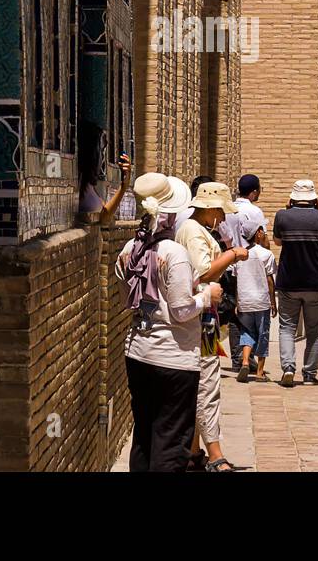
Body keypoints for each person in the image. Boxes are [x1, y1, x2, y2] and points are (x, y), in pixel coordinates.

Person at [116, 172, 212, 471]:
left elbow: (126, 300)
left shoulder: (129, 251)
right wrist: (208, 296)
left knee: (144, 435)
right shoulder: (174, 254)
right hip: (173, 360)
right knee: (170, 441)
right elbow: (182, 310)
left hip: (138, 355)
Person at [176, 181, 248, 472]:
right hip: (203, 319)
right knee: (207, 381)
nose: (222, 217)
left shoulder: (198, 230)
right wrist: (233, 255)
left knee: (204, 379)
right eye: (220, 210)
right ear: (211, 208)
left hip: (207, 318)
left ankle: (194, 451)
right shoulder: (193, 232)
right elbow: (203, 272)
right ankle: (215, 453)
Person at [272, 179, 318, 386]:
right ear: (314, 198)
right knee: (314, 330)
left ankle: (288, 368)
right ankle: (309, 373)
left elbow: (278, 241)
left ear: (292, 198)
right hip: (315, 282)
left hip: (289, 281)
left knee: (287, 327)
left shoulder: (282, 216)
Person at [225, 175, 268, 371]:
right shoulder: (254, 211)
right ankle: (251, 358)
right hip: (249, 264)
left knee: (236, 311)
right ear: (254, 192)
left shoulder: (229, 208)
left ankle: (238, 357)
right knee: (255, 315)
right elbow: (262, 238)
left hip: (228, 264)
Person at [234, 236, 276, 383]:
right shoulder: (266, 254)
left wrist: (237, 302)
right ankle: (259, 372)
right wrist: (273, 302)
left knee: (247, 332)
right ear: (257, 233)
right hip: (261, 302)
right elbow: (270, 281)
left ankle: (245, 362)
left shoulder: (238, 255)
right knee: (262, 334)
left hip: (244, 301)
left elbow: (236, 280)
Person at [76, 121, 131, 224]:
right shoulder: (77, 183)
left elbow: (104, 217)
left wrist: (124, 186)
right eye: (101, 151)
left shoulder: (88, 185)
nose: (102, 158)